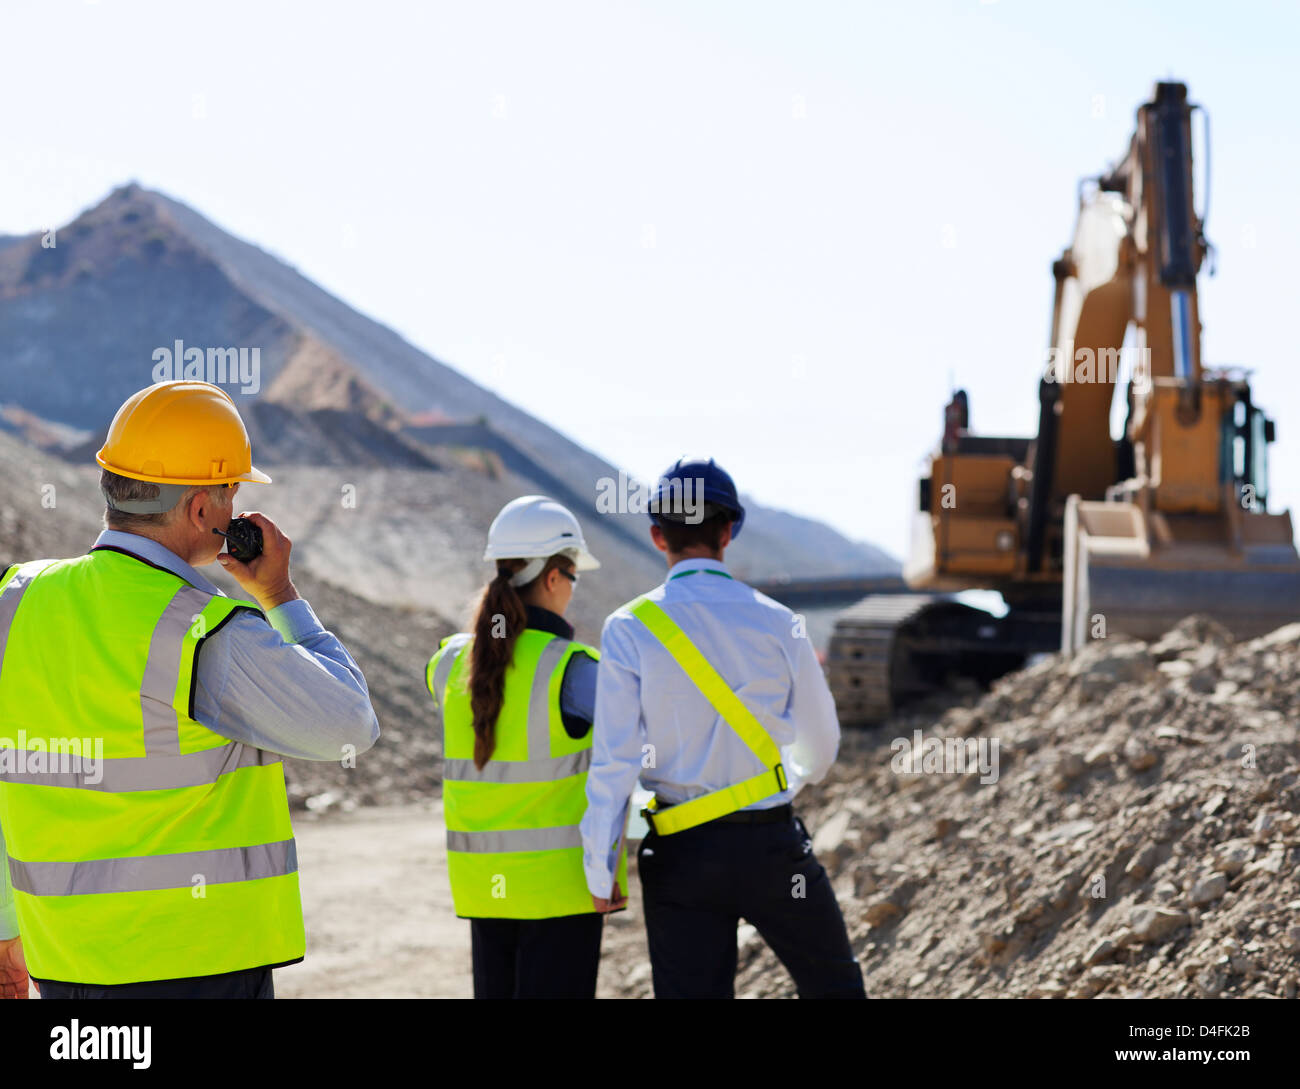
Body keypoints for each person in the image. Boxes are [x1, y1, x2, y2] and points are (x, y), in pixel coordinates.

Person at [0, 380, 379, 1000]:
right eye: (231, 493)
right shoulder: (203, 630)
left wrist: (3, 928)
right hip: (191, 965)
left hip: (63, 964)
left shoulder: (17, 600)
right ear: (202, 510)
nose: (234, 510)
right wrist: (279, 595)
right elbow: (350, 724)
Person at [580, 456, 866, 999]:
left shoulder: (628, 628)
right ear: (728, 532)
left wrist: (600, 867)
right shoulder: (781, 622)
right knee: (836, 987)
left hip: (679, 853)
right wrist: (782, 784)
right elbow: (822, 744)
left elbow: (614, 761)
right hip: (772, 847)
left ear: (657, 535)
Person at [426, 495, 627, 999]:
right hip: (560, 892)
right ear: (554, 578)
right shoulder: (575, 670)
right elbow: (634, 750)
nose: (573, 590)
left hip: (485, 888)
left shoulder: (449, 664)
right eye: (574, 577)